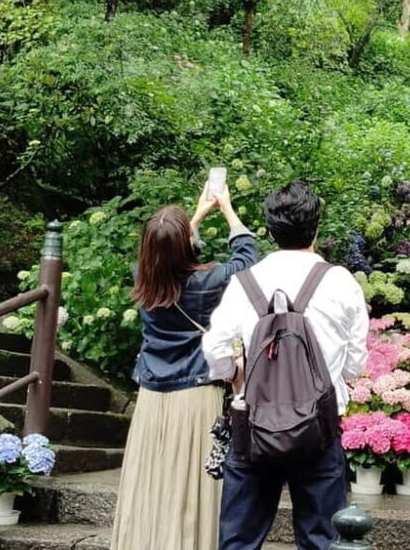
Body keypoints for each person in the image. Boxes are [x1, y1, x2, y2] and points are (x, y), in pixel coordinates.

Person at [203, 180, 369, 550]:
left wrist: (235, 374)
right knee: (323, 540)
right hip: (319, 428)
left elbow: (215, 351)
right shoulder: (340, 282)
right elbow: (355, 365)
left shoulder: (245, 282)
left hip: (253, 426)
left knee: (239, 541)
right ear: (316, 227)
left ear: (270, 229)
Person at [110, 182, 258, 550]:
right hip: (194, 394)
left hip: (151, 398)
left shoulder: (142, 277)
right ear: (186, 243)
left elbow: (166, 252)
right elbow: (247, 258)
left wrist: (195, 216)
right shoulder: (209, 281)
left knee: (152, 482)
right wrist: (225, 208)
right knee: (190, 486)